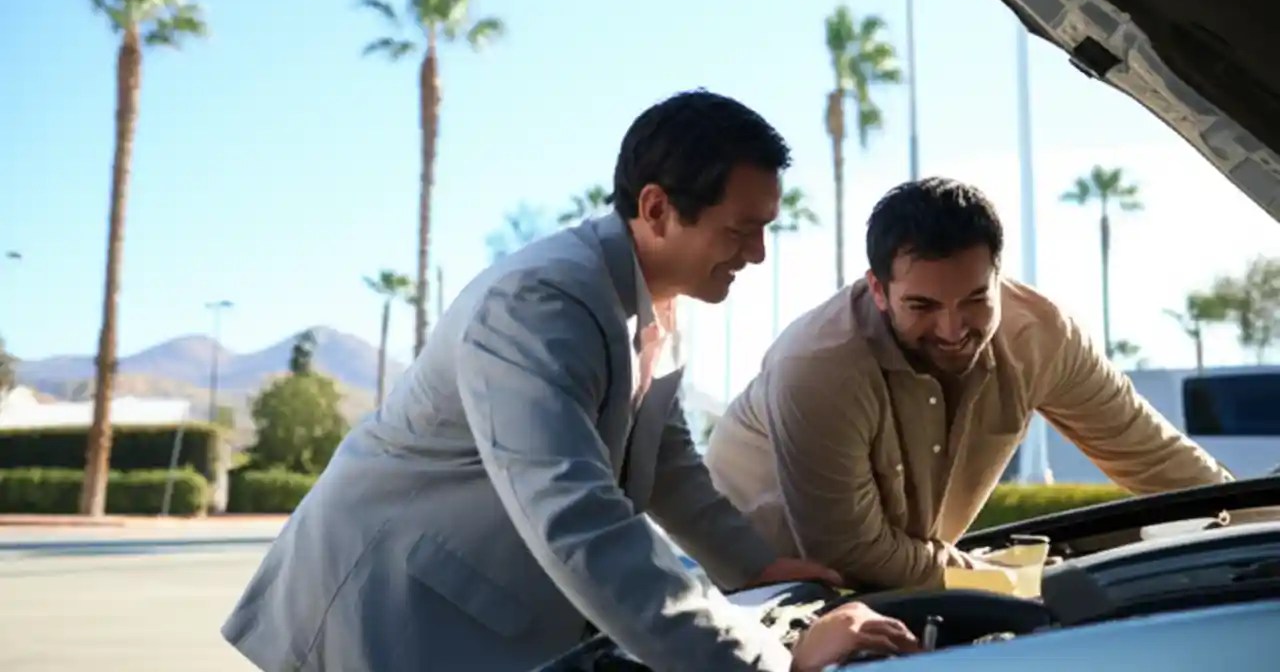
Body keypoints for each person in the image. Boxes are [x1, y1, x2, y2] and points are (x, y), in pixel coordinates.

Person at [220, 90, 920, 672]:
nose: (758, 254)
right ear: (656, 209)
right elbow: (576, 514)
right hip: (386, 608)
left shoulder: (655, 300)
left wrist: (755, 567)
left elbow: (665, 461)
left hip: (474, 612)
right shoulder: (537, 304)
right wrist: (763, 662)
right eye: (740, 230)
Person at [704, 176, 1234, 591]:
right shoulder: (818, 367)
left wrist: (1259, 528)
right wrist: (1006, 583)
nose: (953, 330)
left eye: (976, 300)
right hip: (754, 594)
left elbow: (1159, 461)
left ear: (998, 277)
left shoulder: (1041, 337)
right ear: (878, 291)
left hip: (904, 578)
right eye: (923, 306)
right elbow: (852, 552)